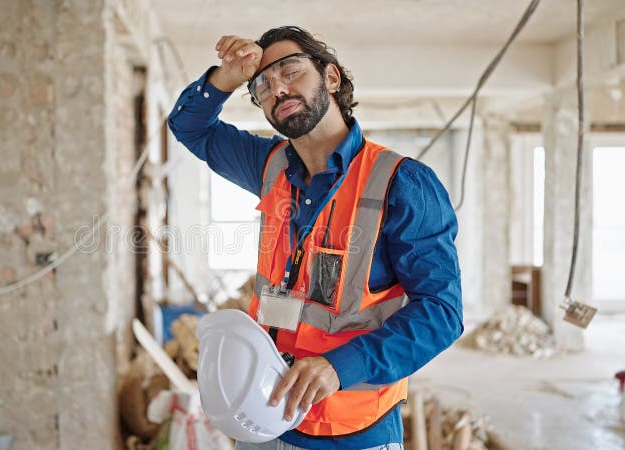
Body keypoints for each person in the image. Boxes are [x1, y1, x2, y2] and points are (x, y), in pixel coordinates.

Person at [169, 26, 463, 450]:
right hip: (263, 419)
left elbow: (441, 312)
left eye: (290, 70)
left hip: (353, 433)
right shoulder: (267, 165)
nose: (277, 88)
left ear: (331, 78)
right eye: (262, 85)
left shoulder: (402, 183)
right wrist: (227, 77)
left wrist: (340, 365)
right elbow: (189, 126)